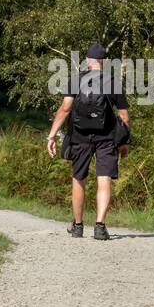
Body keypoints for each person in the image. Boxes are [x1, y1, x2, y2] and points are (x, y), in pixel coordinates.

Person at [46, 41, 130, 240]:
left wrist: (52, 135)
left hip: (80, 136)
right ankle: (100, 227)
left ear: (87, 60)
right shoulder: (113, 82)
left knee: (79, 178)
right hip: (106, 137)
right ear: (104, 62)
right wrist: (124, 141)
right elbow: (124, 117)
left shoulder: (76, 80)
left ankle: (77, 226)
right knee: (104, 179)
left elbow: (65, 109)